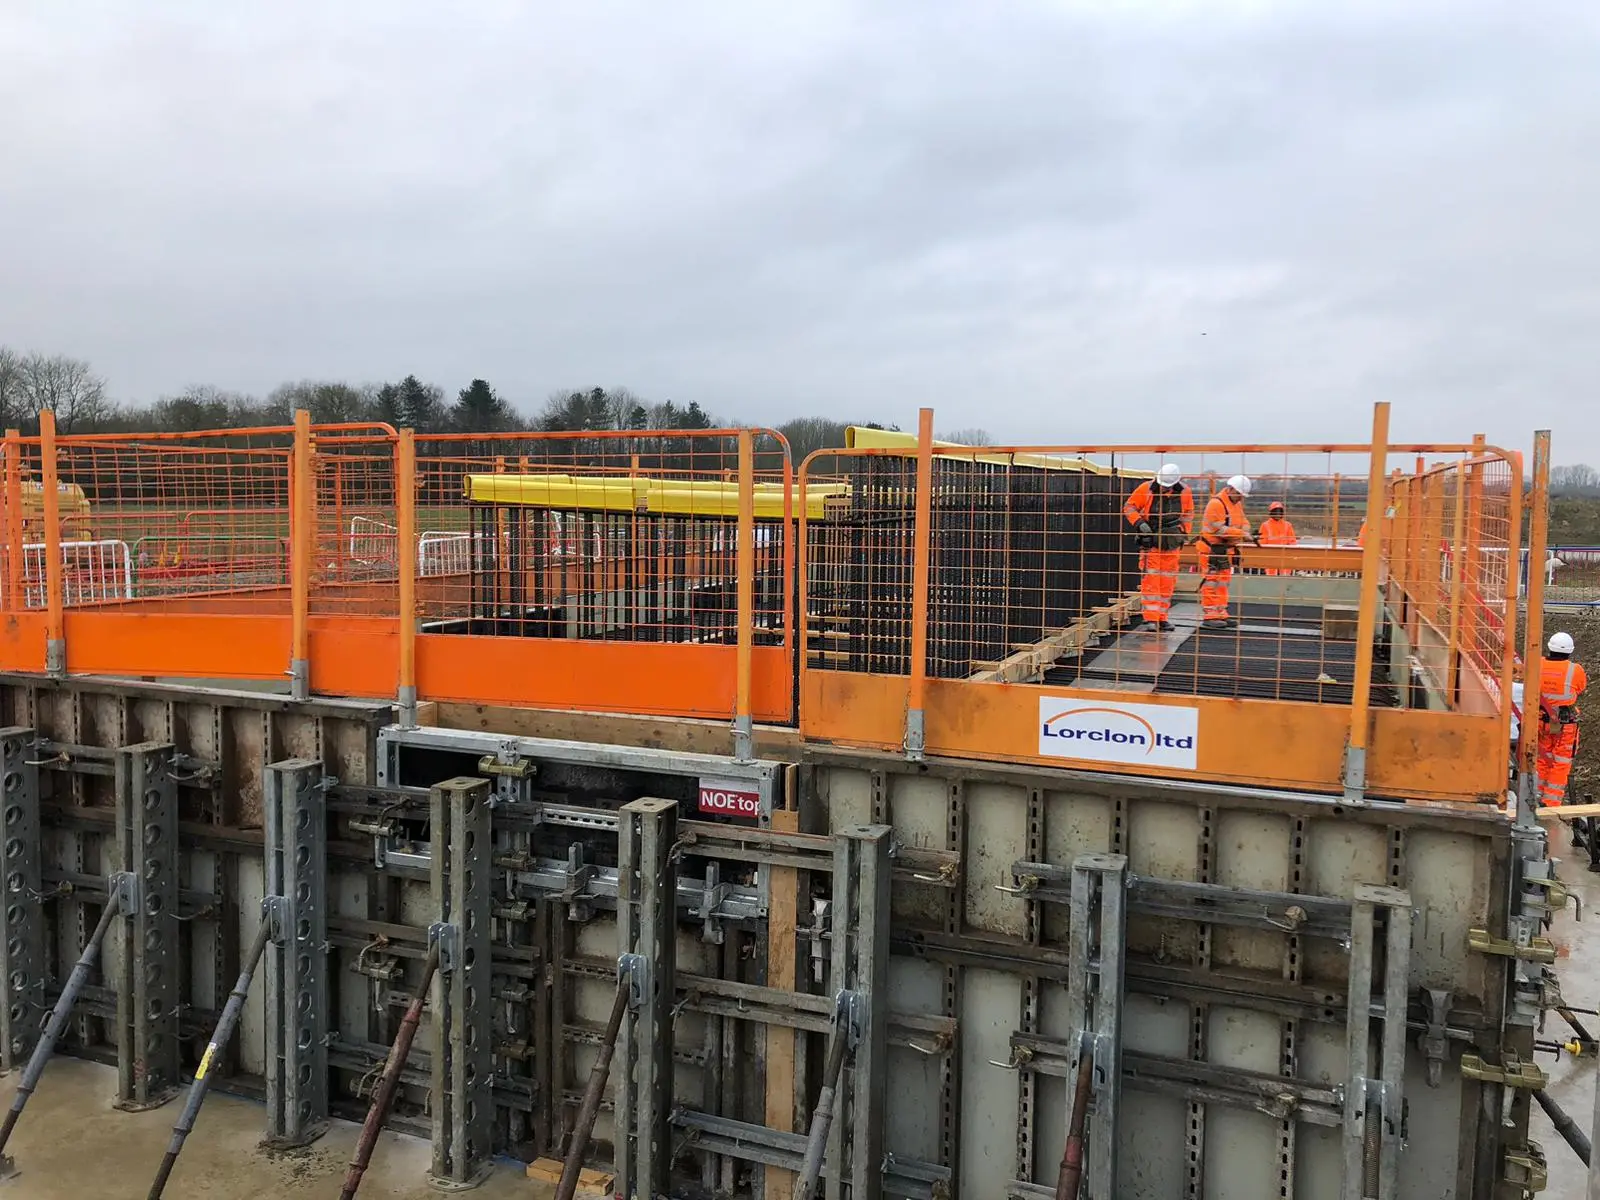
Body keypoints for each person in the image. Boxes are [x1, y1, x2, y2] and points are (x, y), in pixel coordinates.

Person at [1122, 464, 1193, 631]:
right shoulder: (1146, 489)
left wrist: (1182, 533)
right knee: (1151, 581)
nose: (1163, 488)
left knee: (1168, 581)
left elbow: (1188, 514)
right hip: (1151, 542)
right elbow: (1129, 507)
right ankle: (1151, 619)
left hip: (1171, 543)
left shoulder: (1184, 492)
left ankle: (1162, 617)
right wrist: (1139, 523)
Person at [1536, 631, 1587, 807]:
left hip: (1541, 721)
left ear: (1549, 647)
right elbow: (1579, 689)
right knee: (1561, 762)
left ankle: (1535, 797)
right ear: (1570, 651)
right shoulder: (1575, 670)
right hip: (1565, 725)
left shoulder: (1538, 664)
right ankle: (1550, 804)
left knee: (1542, 759)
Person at [1198, 475, 1252, 629]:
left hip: (1224, 551)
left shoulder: (1235, 504)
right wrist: (1241, 534)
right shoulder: (1216, 504)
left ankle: (1221, 613)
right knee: (1211, 582)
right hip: (1211, 551)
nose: (1241, 498)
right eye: (1239, 494)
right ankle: (1210, 616)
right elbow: (1218, 529)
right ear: (1231, 489)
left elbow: (1244, 522)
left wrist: (1245, 530)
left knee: (1222, 583)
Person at [1257, 501, 1297, 576]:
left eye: (1279, 511)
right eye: (1275, 511)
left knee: (1285, 578)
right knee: (1271, 579)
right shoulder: (1265, 525)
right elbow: (1262, 542)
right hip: (1270, 557)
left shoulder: (1288, 525)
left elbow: (1292, 542)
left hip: (1285, 557)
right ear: (1271, 512)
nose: (1277, 513)